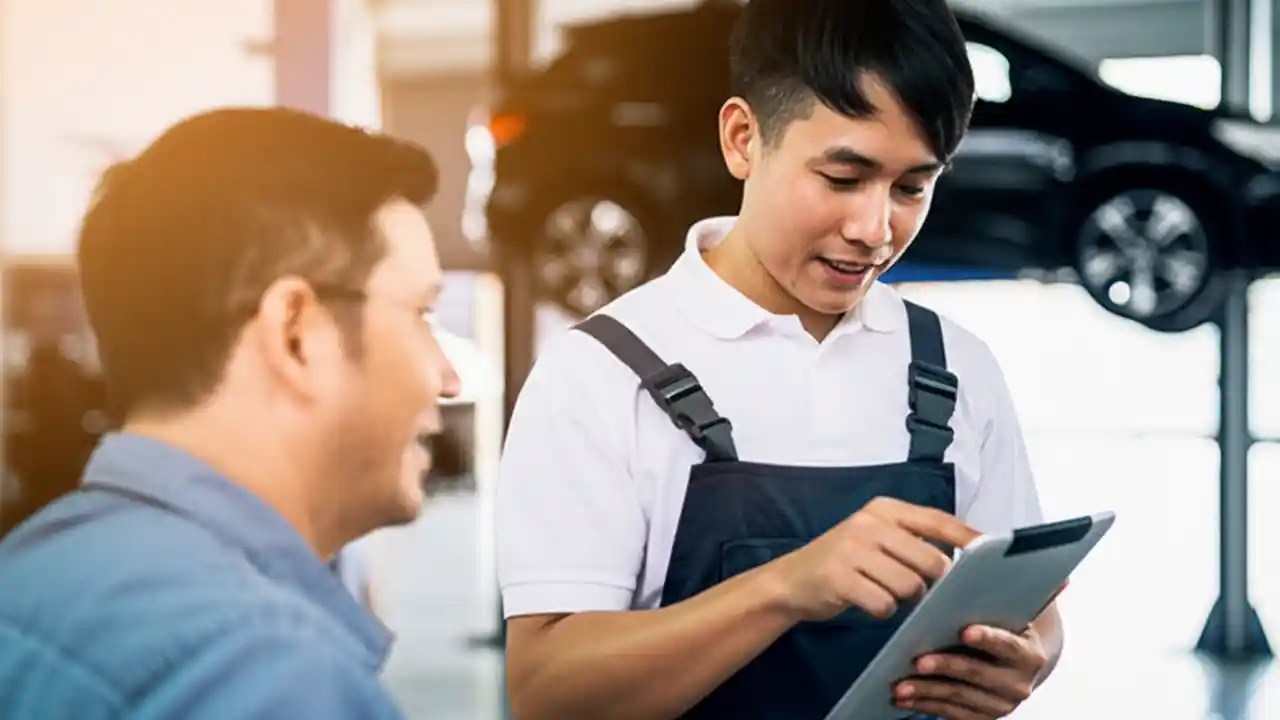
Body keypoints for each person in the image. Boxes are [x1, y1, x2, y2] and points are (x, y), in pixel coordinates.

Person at [496, 2, 1061, 719]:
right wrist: (786, 587)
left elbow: (1036, 615)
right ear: (742, 139)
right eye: (842, 177)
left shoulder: (959, 367)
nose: (873, 230)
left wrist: (1025, 662)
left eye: (912, 187)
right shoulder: (598, 375)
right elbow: (547, 691)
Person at [0, 107, 459, 717]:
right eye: (422, 316)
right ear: (296, 334)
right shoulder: (274, 678)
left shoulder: (31, 569)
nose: (448, 379)